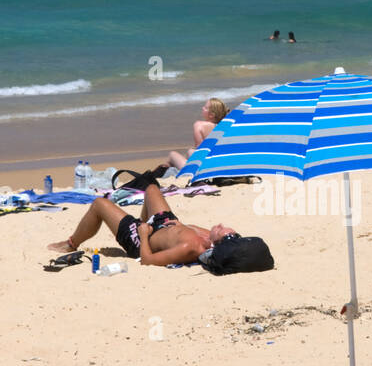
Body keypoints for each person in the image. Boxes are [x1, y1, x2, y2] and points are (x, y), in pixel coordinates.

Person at [48, 181, 273, 271]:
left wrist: (144, 234)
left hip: (141, 240)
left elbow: (147, 260)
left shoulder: (190, 247)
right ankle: (134, 221)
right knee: (152, 189)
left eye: (222, 229)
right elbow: (185, 233)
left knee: (99, 204)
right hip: (164, 224)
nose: (220, 225)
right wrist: (177, 226)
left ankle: (71, 243)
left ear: (219, 241)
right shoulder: (208, 239)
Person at [157, 97, 229, 172]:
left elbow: (200, 150)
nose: (202, 108)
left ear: (211, 115)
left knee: (172, 155)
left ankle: (164, 171)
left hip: (203, 167)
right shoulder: (225, 127)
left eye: (205, 108)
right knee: (190, 152)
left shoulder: (199, 125)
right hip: (218, 164)